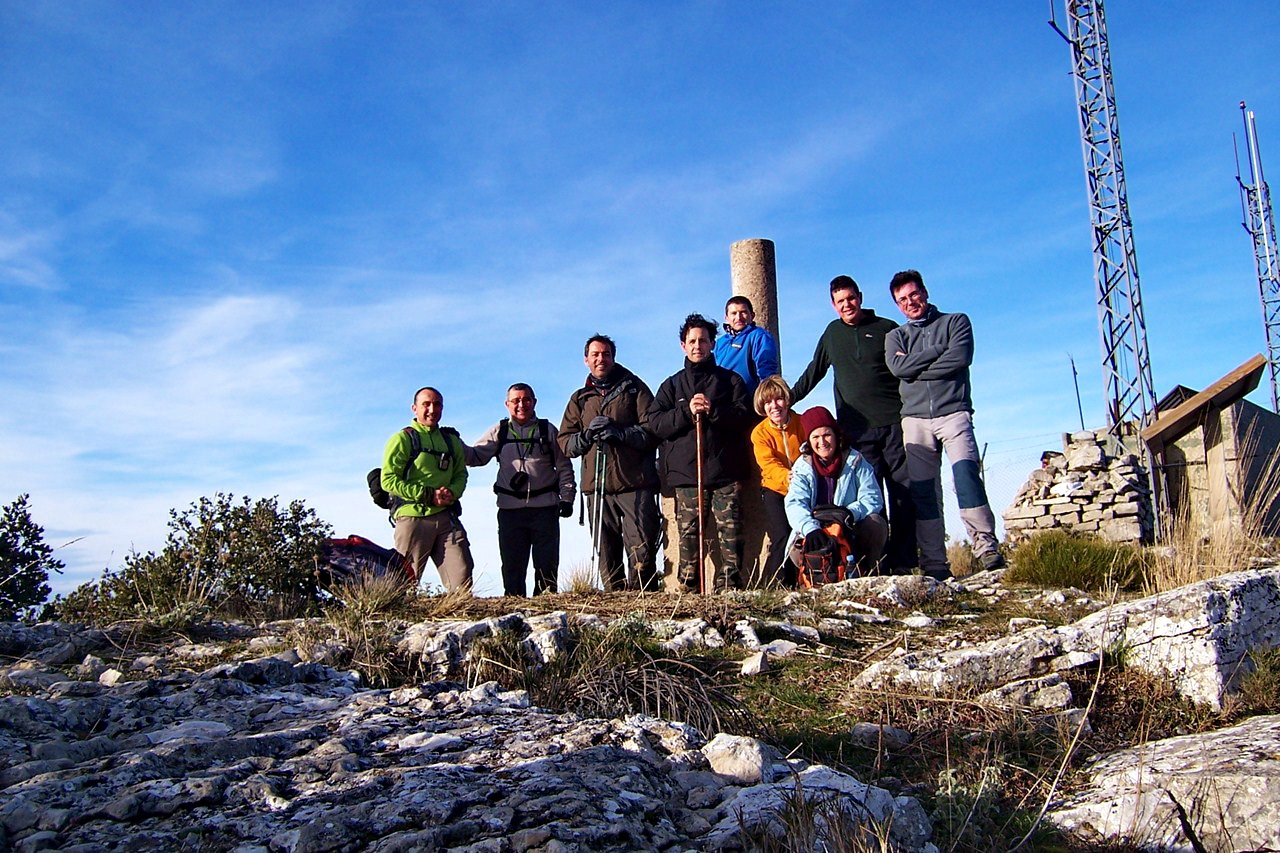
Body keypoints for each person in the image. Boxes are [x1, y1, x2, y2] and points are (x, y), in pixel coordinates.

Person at [790, 275, 917, 573]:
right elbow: (814, 372)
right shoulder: (832, 334)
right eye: (840, 301)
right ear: (833, 305)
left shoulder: (886, 329)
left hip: (894, 423)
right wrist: (787, 399)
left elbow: (909, 369)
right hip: (856, 431)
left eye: (851, 298)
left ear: (860, 296)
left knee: (903, 494)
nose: (847, 305)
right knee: (871, 499)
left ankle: (905, 562)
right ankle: (873, 564)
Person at [886, 269, 1004, 579]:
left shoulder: (956, 322)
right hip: (915, 421)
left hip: (954, 413)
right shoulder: (895, 337)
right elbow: (898, 368)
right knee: (924, 493)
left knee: (966, 477)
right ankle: (935, 563)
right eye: (902, 300)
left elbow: (959, 358)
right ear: (897, 305)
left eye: (914, 294)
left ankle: (986, 548)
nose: (910, 302)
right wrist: (937, 353)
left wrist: (917, 366)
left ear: (924, 292)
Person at [648, 313, 754, 592]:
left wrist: (714, 411)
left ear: (712, 344)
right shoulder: (671, 386)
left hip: (725, 472)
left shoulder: (730, 381)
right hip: (687, 476)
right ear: (683, 345)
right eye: (692, 341)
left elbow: (745, 417)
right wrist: (685, 411)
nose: (698, 346)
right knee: (689, 539)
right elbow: (655, 423)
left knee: (731, 537)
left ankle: (730, 591)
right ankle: (689, 591)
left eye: (703, 341)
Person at [558, 334, 661, 591]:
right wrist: (586, 436)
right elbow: (565, 443)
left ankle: (643, 606)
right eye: (595, 355)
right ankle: (615, 610)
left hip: (635, 484)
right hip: (597, 488)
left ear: (613, 358)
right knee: (606, 555)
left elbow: (653, 432)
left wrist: (621, 433)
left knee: (641, 553)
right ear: (586, 360)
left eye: (605, 354)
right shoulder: (579, 399)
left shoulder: (635, 389)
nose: (600, 359)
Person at [465, 383, 576, 597]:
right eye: (516, 401)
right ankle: (514, 614)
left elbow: (564, 466)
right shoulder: (500, 431)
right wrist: (453, 443)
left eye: (526, 400)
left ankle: (545, 611)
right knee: (512, 569)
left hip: (545, 509)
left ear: (534, 402)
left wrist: (567, 498)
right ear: (507, 404)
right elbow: (475, 457)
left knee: (547, 568)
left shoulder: (547, 430)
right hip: (510, 511)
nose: (521, 405)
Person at [381, 386, 474, 592]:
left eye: (437, 404)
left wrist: (452, 493)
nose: (432, 410)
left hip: (446, 518)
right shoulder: (403, 439)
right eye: (426, 404)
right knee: (403, 585)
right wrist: (427, 495)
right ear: (414, 408)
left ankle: (460, 622)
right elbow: (387, 480)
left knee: (462, 580)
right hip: (412, 518)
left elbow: (461, 474)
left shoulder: (451, 441)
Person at [784, 406, 888, 576]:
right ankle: (816, 579)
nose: (822, 442)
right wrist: (811, 528)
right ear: (809, 441)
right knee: (797, 551)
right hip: (818, 529)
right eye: (815, 437)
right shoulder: (802, 467)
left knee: (876, 524)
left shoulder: (856, 461)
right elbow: (795, 503)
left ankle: (869, 574)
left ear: (836, 436)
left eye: (827, 435)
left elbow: (872, 497)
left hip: (851, 526)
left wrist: (848, 515)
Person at [750, 376, 805, 587]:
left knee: (801, 534)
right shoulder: (760, 433)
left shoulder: (801, 423)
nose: (774, 406)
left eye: (779, 399)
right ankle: (771, 584)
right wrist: (787, 477)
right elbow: (768, 463)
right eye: (768, 402)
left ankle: (800, 580)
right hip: (775, 489)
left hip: (803, 489)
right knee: (781, 534)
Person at [713, 295, 780, 394]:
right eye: (734, 313)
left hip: (748, 400)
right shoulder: (721, 342)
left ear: (752, 315)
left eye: (743, 312)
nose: (738, 317)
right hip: (723, 401)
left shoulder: (759, 336)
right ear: (726, 318)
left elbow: (766, 370)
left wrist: (767, 396)